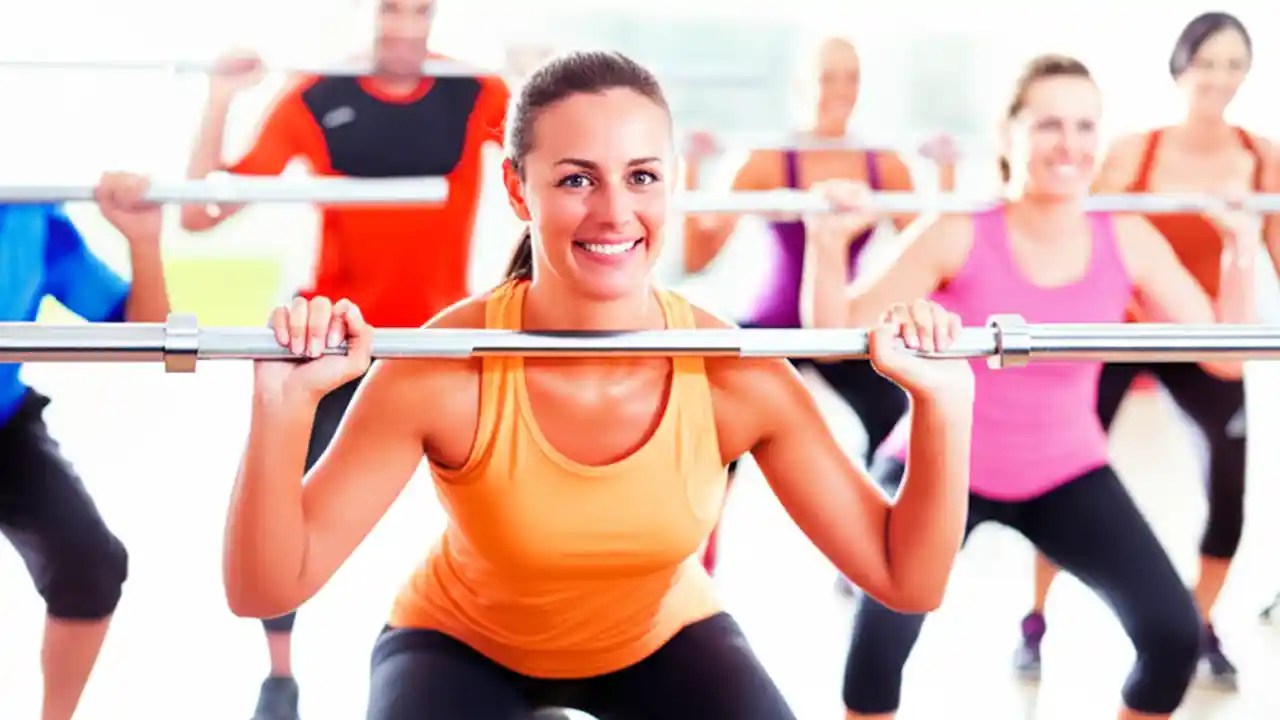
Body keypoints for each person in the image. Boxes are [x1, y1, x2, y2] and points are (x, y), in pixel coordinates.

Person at [221, 50, 977, 720]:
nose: (615, 212)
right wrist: (281, 410)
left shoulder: (731, 376)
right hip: (459, 645)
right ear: (518, 190)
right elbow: (264, 588)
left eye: (641, 176)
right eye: (577, 178)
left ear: (671, 183)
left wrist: (944, 406)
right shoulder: (442, 368)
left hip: (662, 638)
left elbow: (904, 579)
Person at [803, 54, 1257, 720]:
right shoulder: (960, 230)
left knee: (1171, 636)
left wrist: (1240, 243)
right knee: (875, 652)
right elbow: (836, 329)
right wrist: (826, 240)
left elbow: (1226, 358)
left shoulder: (1125, 238)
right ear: (1009, 134)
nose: (1069, 144)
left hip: (1064, 469)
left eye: (1084, 125)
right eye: (1049, 124)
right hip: (942, 470)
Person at [179, 1, 510, 715]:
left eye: (416, 11)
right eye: (390, 10)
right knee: (279, 494)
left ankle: (530, 659)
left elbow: (549, 161)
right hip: (334, 333)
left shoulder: (476, 92)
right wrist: (220, 95)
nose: (400, 29)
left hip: (434, 338)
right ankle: (279, 674)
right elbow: (200, 213)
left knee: (518, 488)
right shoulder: (315, 94)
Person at [1016, 11, 1280, 690]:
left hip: (1203, 333)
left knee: (1229, 488)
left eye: (1234, 64)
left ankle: (1197, 625)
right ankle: (1035, 617)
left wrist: (1241, 235)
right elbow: (1078, 233)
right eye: (1208, 62)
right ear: (1179, 68)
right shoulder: (1137, 150)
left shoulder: (1263, 157)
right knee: (1058, 470)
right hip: (1120, 330)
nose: (1220, 78)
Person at [681, 35, 957, 578]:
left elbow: (935, 251)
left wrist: (945, 172)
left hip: (841, 326)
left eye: (850, 77)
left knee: (894, 421)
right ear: (800, 86)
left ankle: (874, 547)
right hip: (773, 326)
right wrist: (692, 169)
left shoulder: (885, 166)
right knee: (719, 423)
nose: (839, 91)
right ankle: (695, 557)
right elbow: (696, 257)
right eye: (827, 77)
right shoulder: (763, 160)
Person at [0, 173, 170, 720]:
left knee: (89, 564)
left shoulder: (28, 214)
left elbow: (143, 341)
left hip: (3, 424)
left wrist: (142, 238)